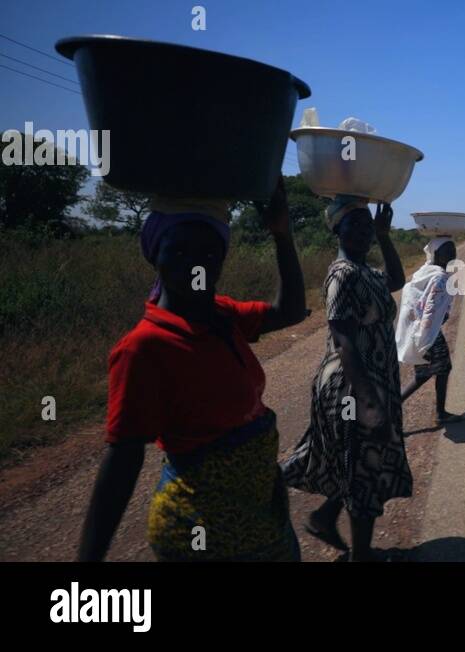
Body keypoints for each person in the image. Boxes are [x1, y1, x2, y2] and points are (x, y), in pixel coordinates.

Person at [78, 179, 308, 562]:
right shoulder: (144, 347)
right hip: (202, 527)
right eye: (179, 249)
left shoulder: (221, 314)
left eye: (209, 252)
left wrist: (282, 235)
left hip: (257, 509)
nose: (196, 264)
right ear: (154, 254)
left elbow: (292, 311)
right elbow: (122, 460)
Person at [281, 195, 410, 562]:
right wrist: (369, 403)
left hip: (371, 381)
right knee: (364, 466)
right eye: (356, 224)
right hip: (351, 387)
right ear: (336, 228)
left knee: (358, 461)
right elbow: (344, 339)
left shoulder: (364, 271)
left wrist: (384, 236)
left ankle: (324, 517)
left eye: (368, 224)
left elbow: (396, 279)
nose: (365, 230)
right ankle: (361, 557)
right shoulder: (341, 275)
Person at [397, 237, 463, 425]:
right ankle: (440, 414)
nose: (452, 255)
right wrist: (425, 335)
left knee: (424, 374)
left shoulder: (423, 271)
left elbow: (414, 299)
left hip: (418, 330)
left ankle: (392, 407)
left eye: (453, 251)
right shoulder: (440, 276)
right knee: (442, 369)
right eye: (447, 252)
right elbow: (431, 308)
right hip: (427, 333)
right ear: (436, 254)